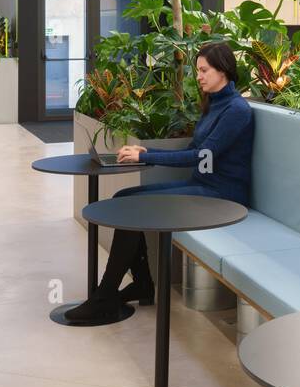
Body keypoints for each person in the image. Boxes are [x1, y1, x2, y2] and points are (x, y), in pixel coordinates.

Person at [62, 42, 254, 322]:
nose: (198, 76)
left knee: (130, 205)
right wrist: (143, 153)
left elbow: (201, 157)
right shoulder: (213, 105)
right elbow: (193, 152)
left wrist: (149, 154)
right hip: (203, 187)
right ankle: (140, 284)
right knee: (124, 198)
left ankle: (105, 296)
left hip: (223, 196)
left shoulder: (236, 110)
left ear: (223, 70)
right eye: (197, 70)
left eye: (203, 70)